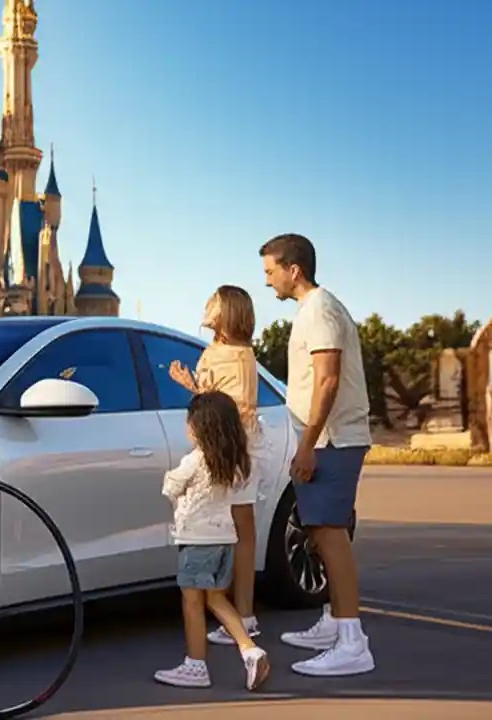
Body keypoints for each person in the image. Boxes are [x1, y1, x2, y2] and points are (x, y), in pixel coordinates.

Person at [259, 232, 374, 676]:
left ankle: (352, 642)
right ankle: (333, 622)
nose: (268, 282)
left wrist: (307, 445)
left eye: (271, 272)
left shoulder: (321, 310)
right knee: (317, 531)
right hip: (325, 440)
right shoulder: (313, 310)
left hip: (333, 441)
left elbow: (327, 381)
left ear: (294, 270)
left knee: (329, 535)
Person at [168, 285, 270, 646]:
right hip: (220, 446)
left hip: (236, 449)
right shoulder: (214, 352)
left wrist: (197, 393)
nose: (206, 308)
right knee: (226, 528)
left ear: (228, 313)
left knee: (240, 528)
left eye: (214, 304)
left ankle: (243, 615)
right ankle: (233, 612)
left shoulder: (239, 356)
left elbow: (233, 411)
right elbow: (213, 403)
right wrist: (192, 387)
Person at [155, 391, 270, 691]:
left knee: (192, 602)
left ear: (201, 427)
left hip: (196, 542)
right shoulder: (234, 461)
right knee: (217, 599)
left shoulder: (195, 460)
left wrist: (171, 479)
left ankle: (196, 665)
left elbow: (171, 486)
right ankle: (249, 649)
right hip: (224, 540)